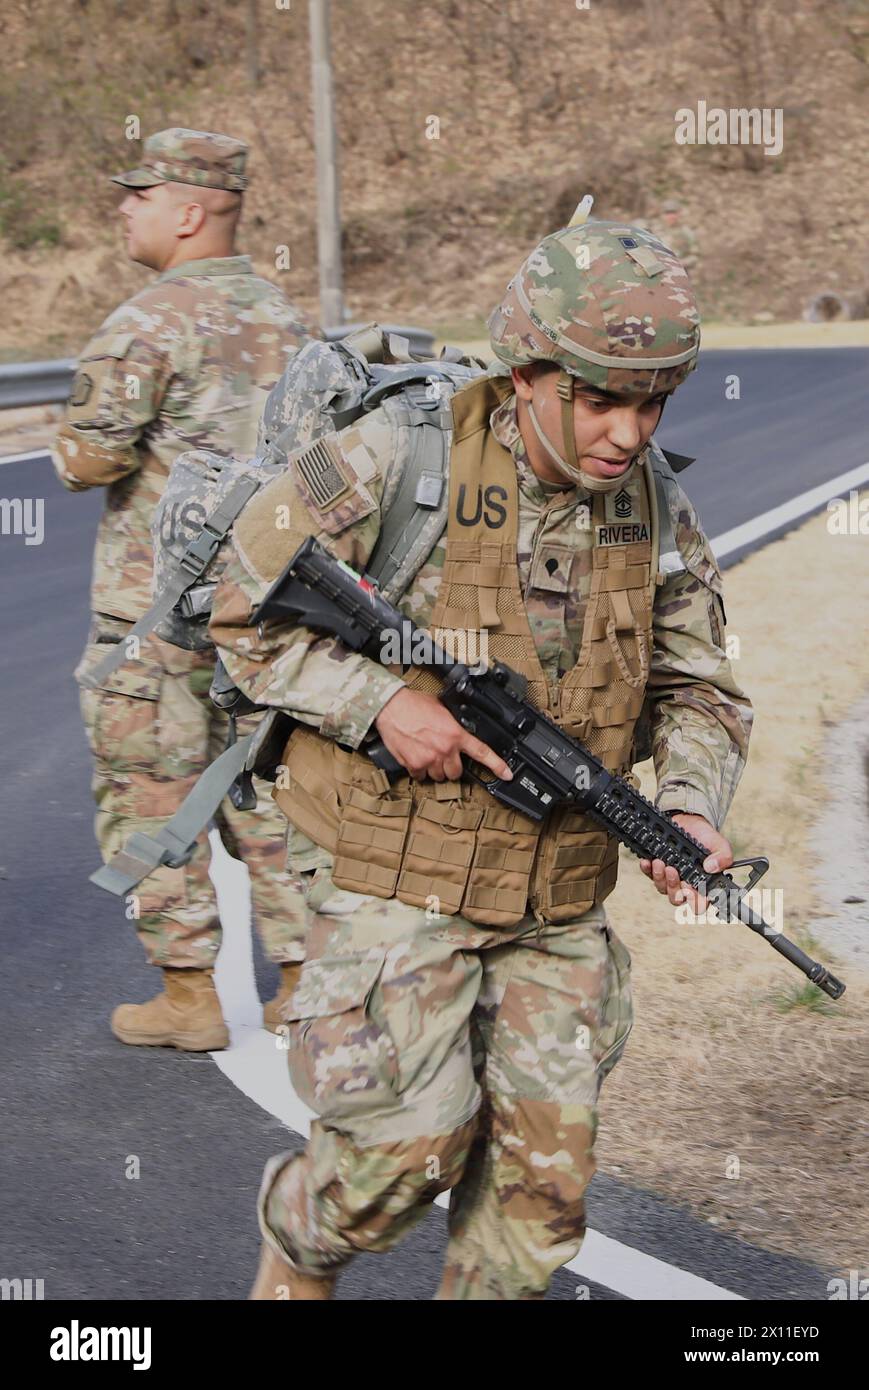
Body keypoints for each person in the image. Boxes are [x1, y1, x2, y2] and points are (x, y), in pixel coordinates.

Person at [209, 214, 753, 1298]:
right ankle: (294, 1240)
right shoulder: (392, 456)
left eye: (652, 402)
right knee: (394, 1163)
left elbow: (699, 685)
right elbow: (241, 610)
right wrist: (379, 706)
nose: (628, 432)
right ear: (528, 373)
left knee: (537, 1203)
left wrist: (687, 807)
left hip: (553, 898)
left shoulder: (651, 507)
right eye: (600, 398)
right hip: (393, 874)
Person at [52, 128, 315, 1051]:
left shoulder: (147, 321)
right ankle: (300, 983)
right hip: (270, 609)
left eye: (140, 194)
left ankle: (191, 998)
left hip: (154, 619)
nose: (125, 206)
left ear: (190, 211)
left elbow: (86, 460)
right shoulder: (290, 322)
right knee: (270, 792)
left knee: (151, 792)